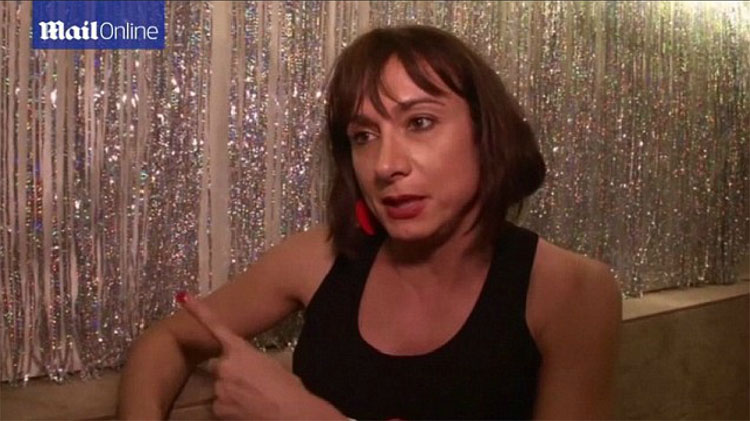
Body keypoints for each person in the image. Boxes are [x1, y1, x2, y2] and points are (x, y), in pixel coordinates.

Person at [118, 25, 621, 420]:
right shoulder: (316, 259)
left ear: (485, 132)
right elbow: (163, 342)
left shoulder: (570, 291)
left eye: (419, 122)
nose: (385, 165)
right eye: (363, 136)